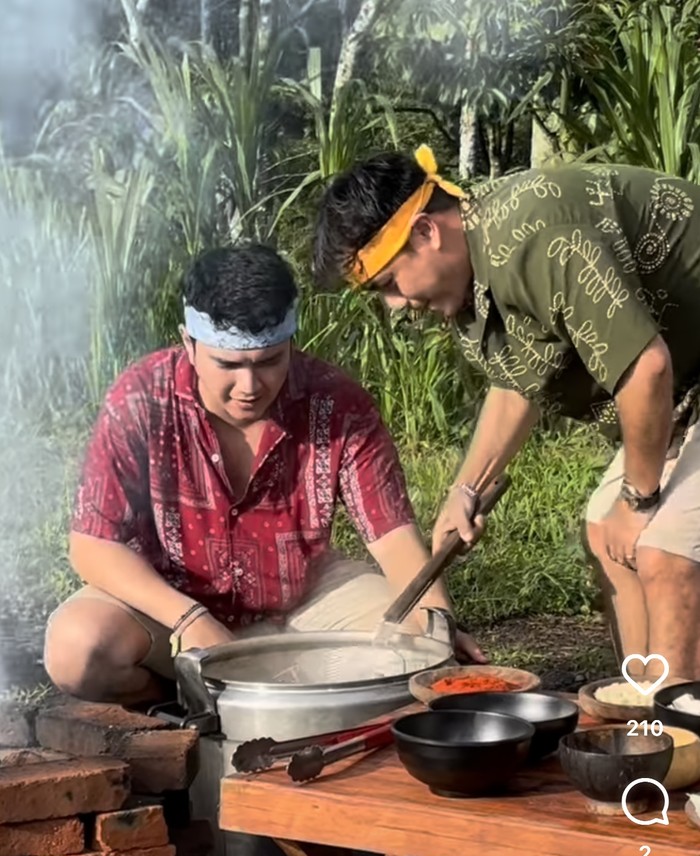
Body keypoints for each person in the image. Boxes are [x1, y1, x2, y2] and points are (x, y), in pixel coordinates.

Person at [313, 146, 700, 682]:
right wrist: (465, 488)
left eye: (389, 284)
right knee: (604, 535)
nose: (395, 306)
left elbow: (647, 369)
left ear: (426, 232)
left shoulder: (537, 236)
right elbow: (519, 382)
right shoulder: (474, 273)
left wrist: (640, 498)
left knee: (664, 551)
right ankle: (641, 714)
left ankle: (681, 736)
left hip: (674, 376)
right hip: (684, 383)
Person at [44, 244, 481, 707]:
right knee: (77, 648)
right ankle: (181, 704)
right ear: (188, 344)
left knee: (421, 650)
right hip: (171, 602)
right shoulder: (140, 400)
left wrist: (437, 621)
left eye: (270, 361)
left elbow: (391, 534)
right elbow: (93, 544)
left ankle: (270, 699)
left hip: (305, 598)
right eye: (229, 365)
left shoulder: (337, 402)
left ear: (291, 341)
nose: (250, 387)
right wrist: (190, 618)